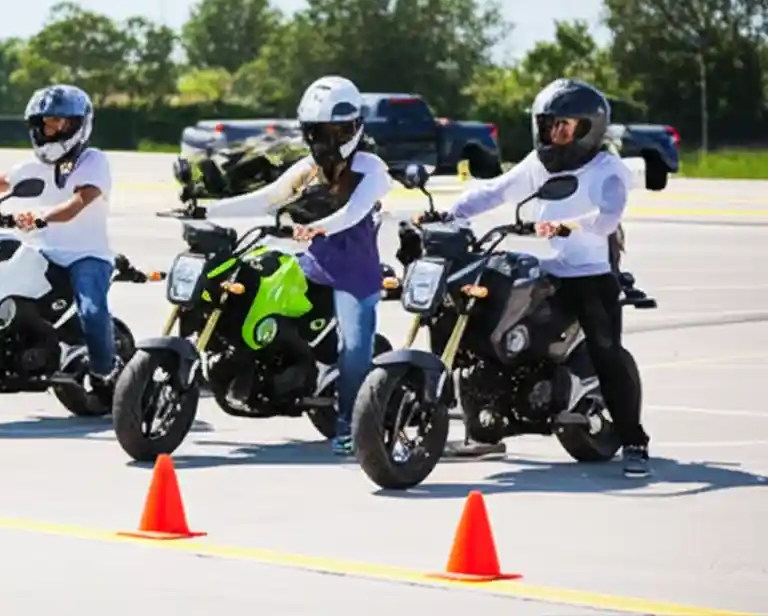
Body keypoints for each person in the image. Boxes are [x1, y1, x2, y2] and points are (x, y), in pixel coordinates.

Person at [442, 77, 651, 477]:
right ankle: (484, 433)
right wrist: (447, 215)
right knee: (485, 332)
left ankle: (634, 440)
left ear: (589, 129)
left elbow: (609, 216)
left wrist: (569, 225)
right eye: (548, 125)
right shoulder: (538, 164)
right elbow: (493, 191)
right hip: (540, 271)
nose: (554, 134)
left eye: (564, 126)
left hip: (588, 277)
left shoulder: (608, 169)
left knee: (607, 353)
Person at [185, 75, 391, 456]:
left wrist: (316, 227)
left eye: (337, 130)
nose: (327, 139)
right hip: (311, 262)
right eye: (318, 131)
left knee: (356, 347)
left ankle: (349, 426)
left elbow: (353, 213)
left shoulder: (372, 168)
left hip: (354, 274)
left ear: (355, 127)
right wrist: (206, 209)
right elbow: (267, 198)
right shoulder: (308, 169)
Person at [0, 84, 122, 386]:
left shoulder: (92, 161)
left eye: (61, 122)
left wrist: (40, 216)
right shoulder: (34, 166)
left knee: (91, 309)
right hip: (39, 252)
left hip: (85, 256)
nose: (53, 128)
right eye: (46, 122)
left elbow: (78, 203)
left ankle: (106, 372)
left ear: (78, 125)